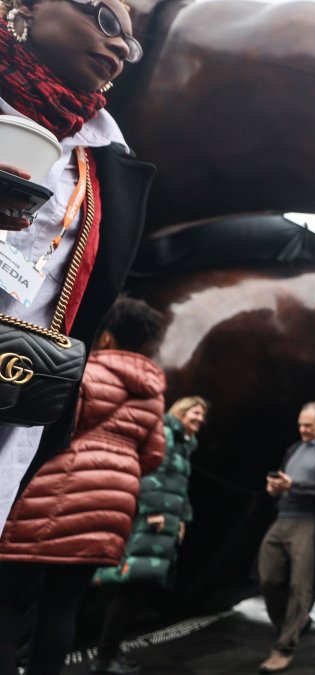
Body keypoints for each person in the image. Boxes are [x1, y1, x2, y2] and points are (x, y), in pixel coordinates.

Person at [0, 0, 157, 534]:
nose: (118, 45)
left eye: (129, 43)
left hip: (13, 386)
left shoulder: (104, 159)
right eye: (104, 20)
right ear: (27, 6)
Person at [0, 296, 165, 675]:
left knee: (6, 603)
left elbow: (51, 429)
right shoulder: (153, 395)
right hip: (109, 516)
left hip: (43, 503)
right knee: (61, 610)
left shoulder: (83, 370)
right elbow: (154, 457)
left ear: (105, 336)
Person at [90, 394, 208, 675]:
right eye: (195, 412)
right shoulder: (167, 433)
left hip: (164, 521)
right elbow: (151, 472)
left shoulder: (185, 444)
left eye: (203, 415)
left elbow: (179, 486)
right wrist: (154, 510)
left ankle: (111, 652)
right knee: (131, 587)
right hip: (151, 521)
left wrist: (182, 519)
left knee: (137, 588)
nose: (200, 418)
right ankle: (104, 658)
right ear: (180, 411)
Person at [256, 401, 315, 673]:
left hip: (308, 522)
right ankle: (292, 624)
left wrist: (294, 486)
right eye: (300, 424)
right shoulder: (294, 449)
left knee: (301, 586)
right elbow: (287, 482)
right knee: (268, 576)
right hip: (283, 517)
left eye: (308, 425)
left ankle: (284, 648)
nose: (303, 429)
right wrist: (277, 489)